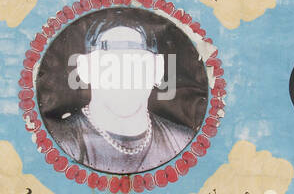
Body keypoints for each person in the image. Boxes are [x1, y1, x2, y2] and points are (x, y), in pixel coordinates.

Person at [44, 13, 195, 175]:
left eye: (137, 64)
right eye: (109, 64)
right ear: (85, 68)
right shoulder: (57, 142)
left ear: (157, 69)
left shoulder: (182, 142)